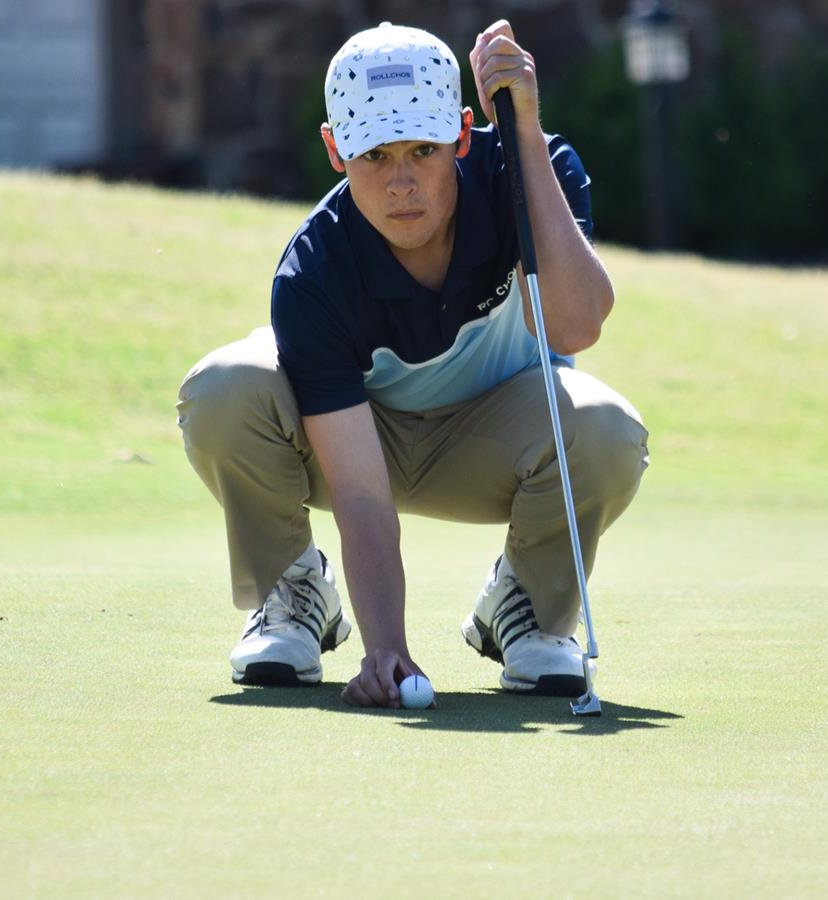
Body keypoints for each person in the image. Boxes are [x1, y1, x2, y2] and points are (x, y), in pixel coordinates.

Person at [177, 20, 648, 709]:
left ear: (463, 134)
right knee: (225, 389)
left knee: (610, 430)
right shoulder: (314, 272)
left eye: (424, 150)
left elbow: (578, 323)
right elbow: (363, 497)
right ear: (336, 150)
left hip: (494, 438)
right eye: (374, 154)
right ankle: (296, 588)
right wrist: (386, 647)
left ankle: (527, 604)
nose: (402, 183)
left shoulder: (531, 172)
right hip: (359, 446)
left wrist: (522, 139)